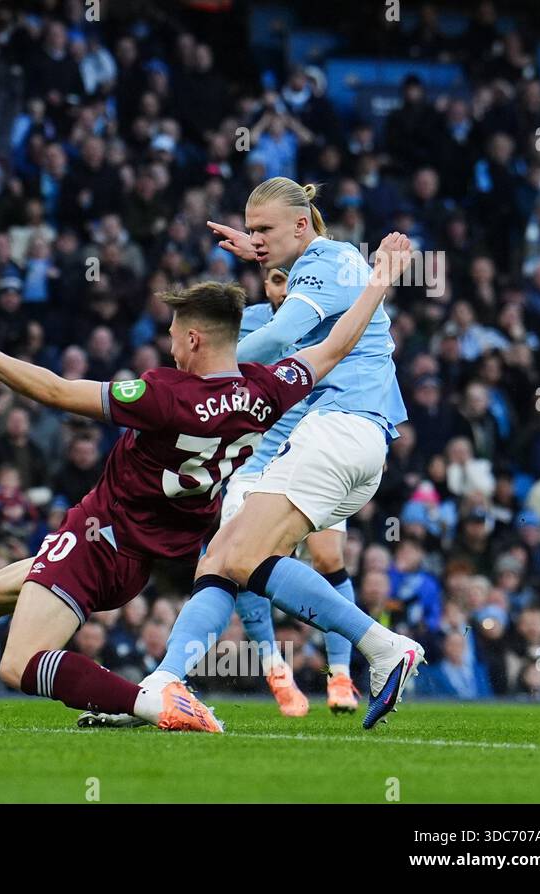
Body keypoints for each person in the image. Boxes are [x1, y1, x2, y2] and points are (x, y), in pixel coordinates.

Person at [0, 231, 411, 731]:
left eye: (172, 332)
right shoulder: (268, 388)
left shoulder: (163, 396)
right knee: (0, 589)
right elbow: (335, 346)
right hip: (140, 558)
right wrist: (379, 281)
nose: (166, 343)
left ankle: (152, 702)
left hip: (100, 534)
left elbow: (51, 388)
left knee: (18, 663)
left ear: (193, 339)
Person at [141, 180, 423, 730]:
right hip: (345, 438)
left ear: (301, 226)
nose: (255, 239)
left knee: (241, 559)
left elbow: (276, 341)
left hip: (337, 431)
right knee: (223, 560)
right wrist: (264, 251)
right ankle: (165, 682)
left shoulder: (329, 260)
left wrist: (193, 382)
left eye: (264, 229)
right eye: (250, 231)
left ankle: (384, 647)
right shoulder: (320, 262)